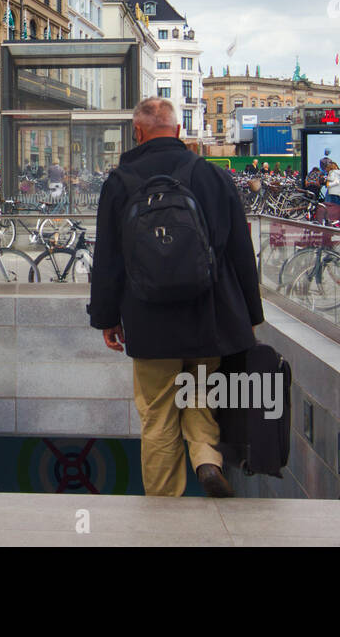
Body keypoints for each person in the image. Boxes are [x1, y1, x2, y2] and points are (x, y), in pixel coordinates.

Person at [88, 98, 262, 498]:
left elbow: (108, 259)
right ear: (179, 131)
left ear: (138, 132)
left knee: (159, 414)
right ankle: (206, 460)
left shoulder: (120, 182)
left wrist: (107, 318)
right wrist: (250, 313)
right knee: (200, 396)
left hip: (150, 322)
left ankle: (165, 505)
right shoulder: (212, 177)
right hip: (209, 316)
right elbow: (240, 250)